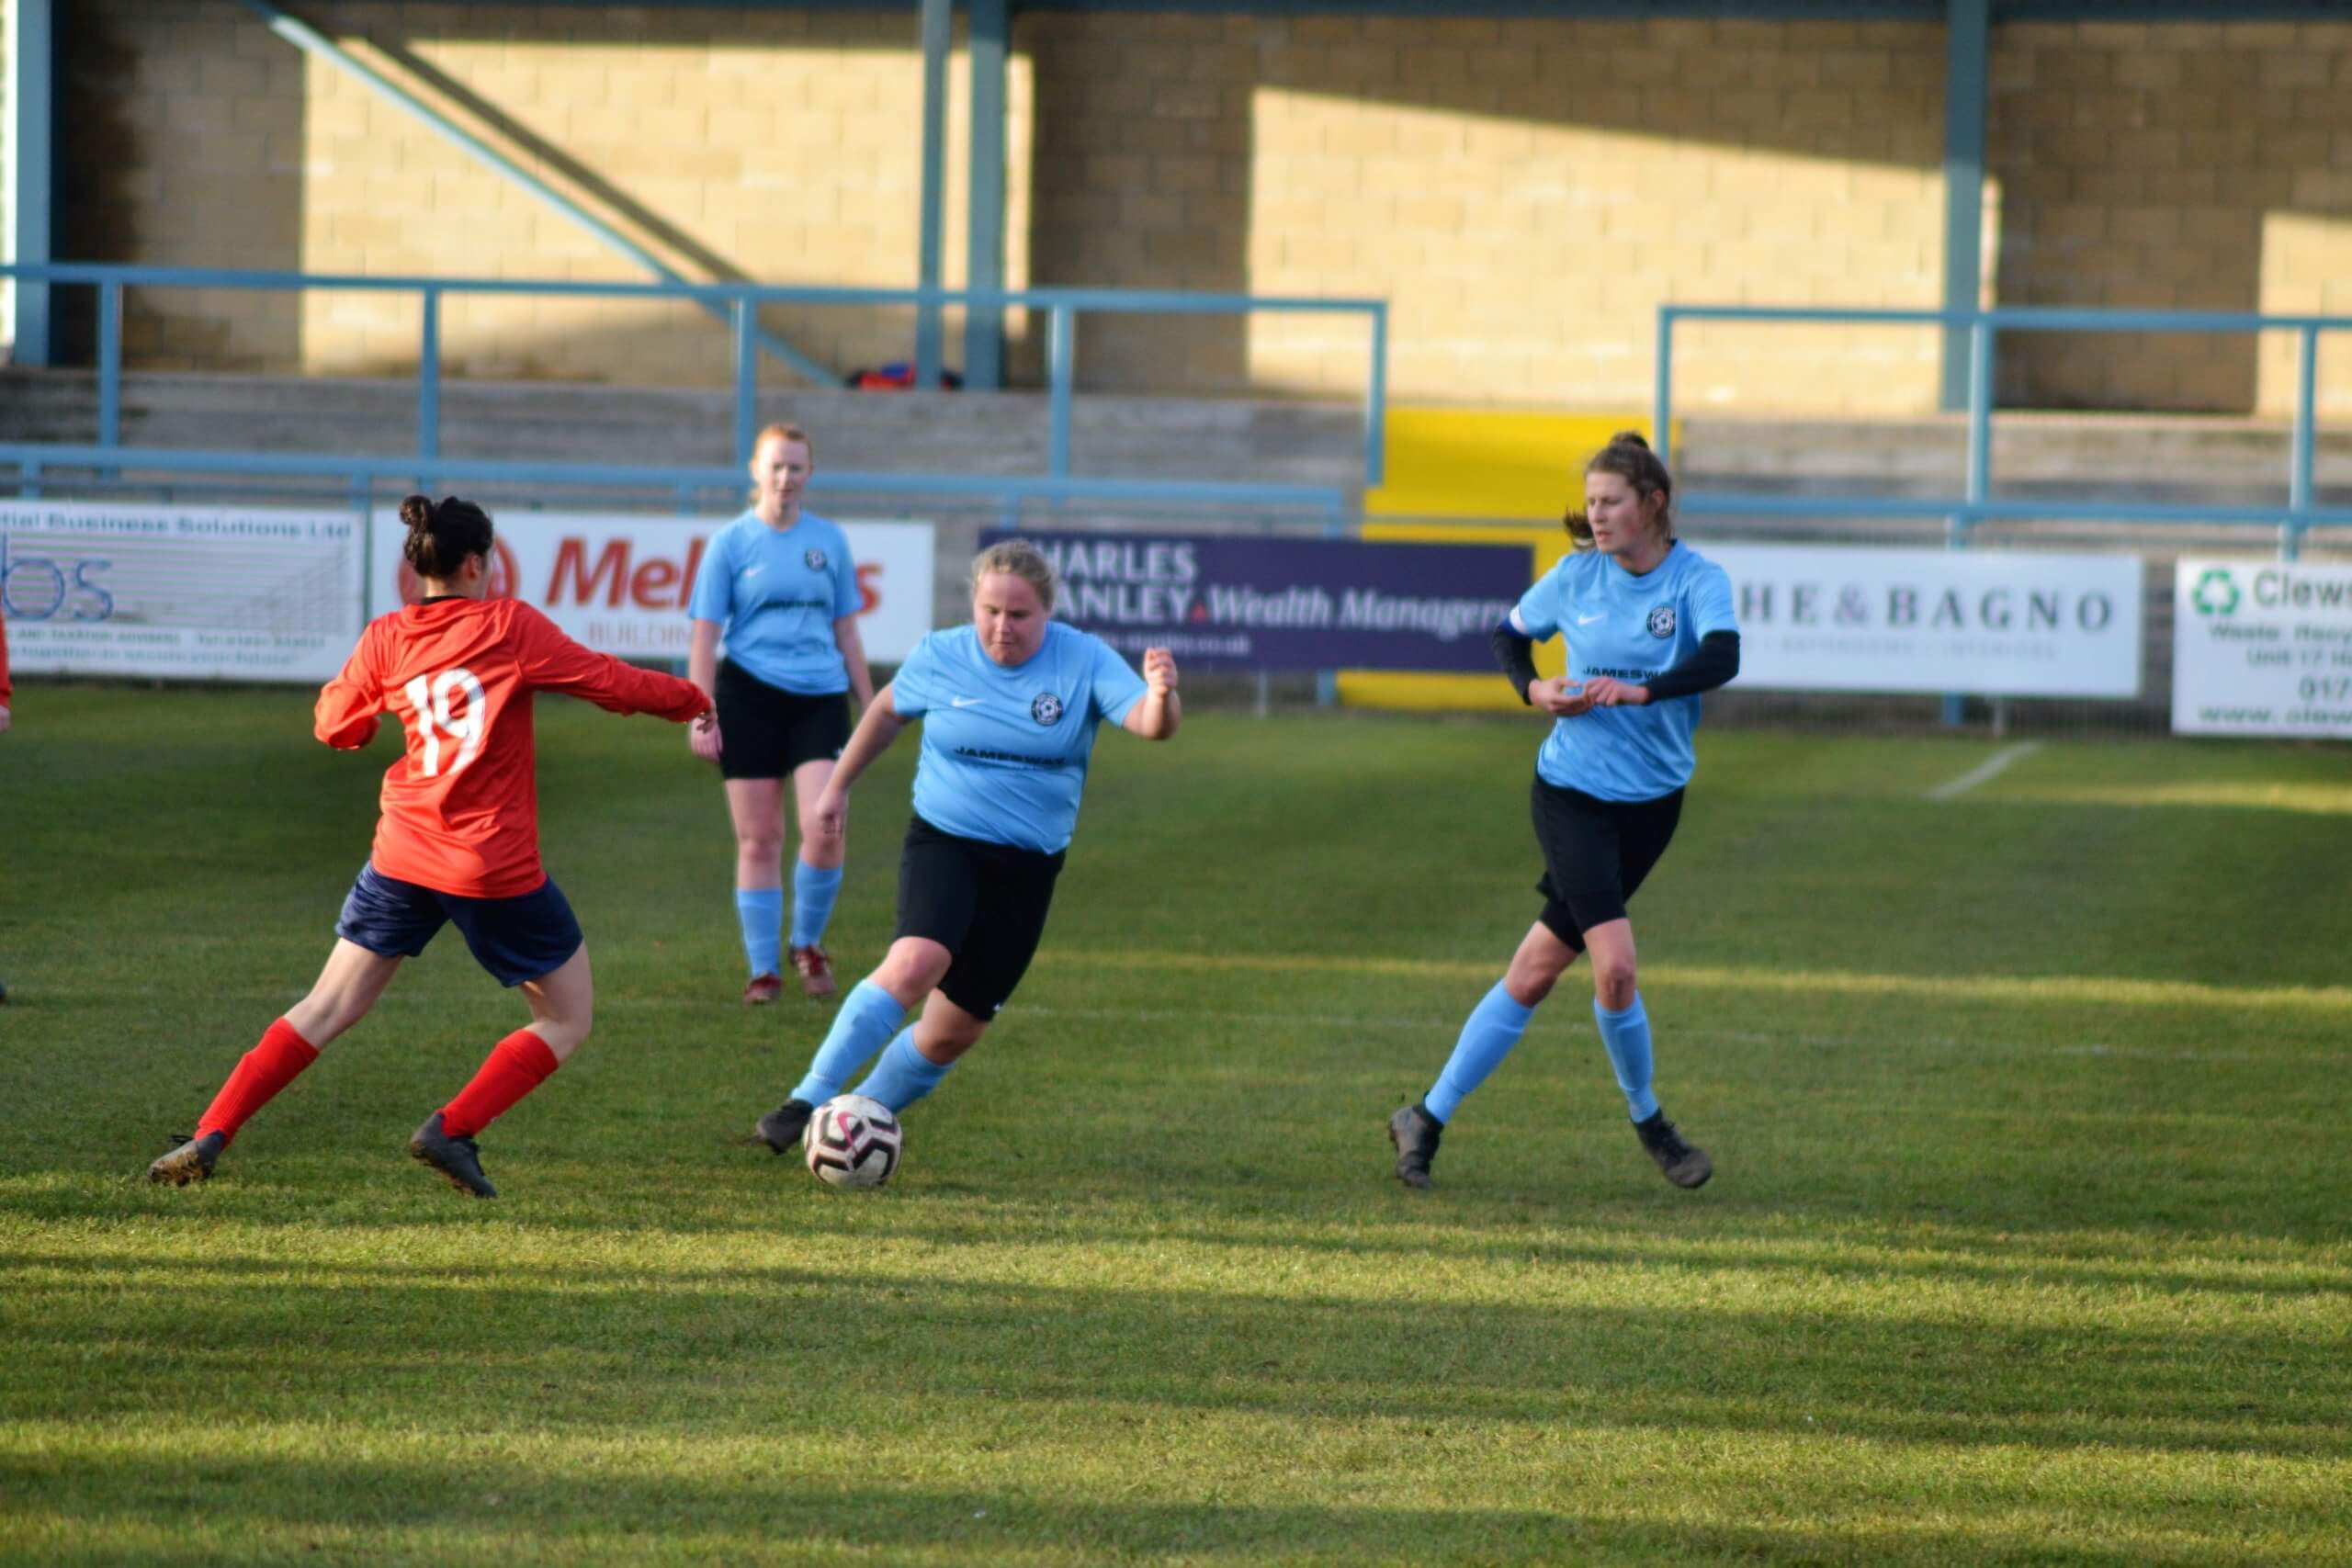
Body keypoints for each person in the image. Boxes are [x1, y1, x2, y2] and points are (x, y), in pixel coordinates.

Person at [147, 494, 712, 1197]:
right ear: (477, 563)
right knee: (568, 1016)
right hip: (490, 863)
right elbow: (607, 680)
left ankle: (211, 1130)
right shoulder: (510, 625)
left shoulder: (388, 635)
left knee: (324, 1007)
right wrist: (690, 698)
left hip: (404, 854)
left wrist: (359, 723)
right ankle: (452, 1127)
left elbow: (334, 724)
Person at [1390, 431, 1739, 1192]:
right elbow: (1509, 636)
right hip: (1572, 793)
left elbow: (1723, 657)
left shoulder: (1696, 581)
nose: (1597, 514)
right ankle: (1653, 1126)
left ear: (1654, 503)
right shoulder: (1576, 577)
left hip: (1652, 806)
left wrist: (1646, 689)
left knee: (1537, 968)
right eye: (1590, 502)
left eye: (1611, 500)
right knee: (1615, 969)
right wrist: (1534, 689)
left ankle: (1424, 1117)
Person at [750, 538, 1179, 1153]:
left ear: (1047, 613)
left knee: (954, 1030)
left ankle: (854, 1123)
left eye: (1020, 615)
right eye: (990, 611)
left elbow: (1150, 723)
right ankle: (806, 1098)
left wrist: (1162, 694)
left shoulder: (1082, 659)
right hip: (945, 843)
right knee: (916, 962)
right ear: (973, 605)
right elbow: (888, 711)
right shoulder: (942, 654)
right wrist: (837, 786)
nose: (1002, 627)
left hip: (1027, 868)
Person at [687, 423, 875, 1005]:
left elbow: (846, 626)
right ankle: (763, 970)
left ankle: (808, 943)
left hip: (819, 697)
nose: (786, 478)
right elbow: (704, 636)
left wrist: (871, 705)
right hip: (748, 696)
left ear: (809, 474)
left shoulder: (830, 542)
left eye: (796, 467)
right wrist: (701, 711)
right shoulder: (730, 544)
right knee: (759, 839)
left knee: (825, 825)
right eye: (776, 467)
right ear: (755, 472)